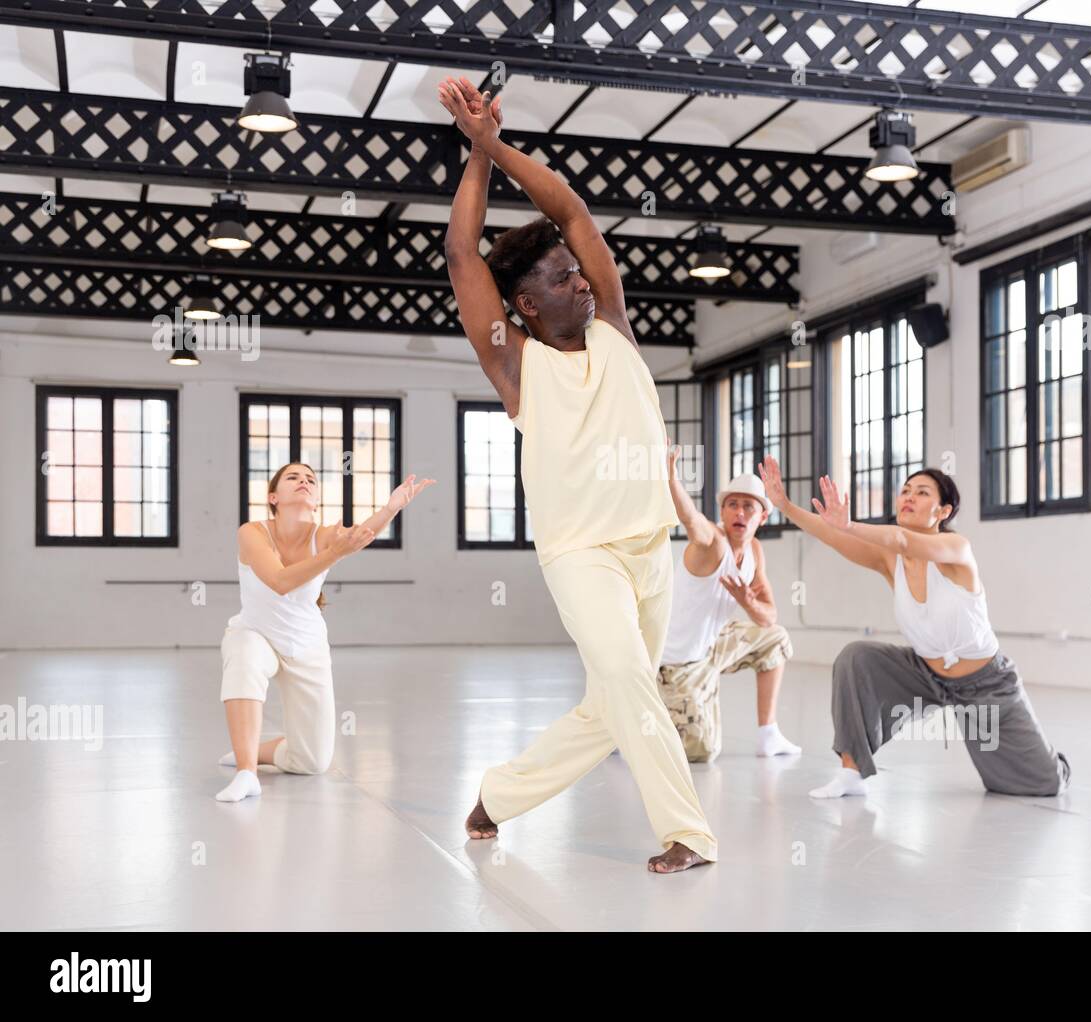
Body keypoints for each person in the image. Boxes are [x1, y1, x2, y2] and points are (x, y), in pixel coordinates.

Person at [439, 76, 716, 873]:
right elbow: (463, 253)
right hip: (580, 555)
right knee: (632, 678)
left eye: (579, 272)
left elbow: (571, 213)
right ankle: (689, 833)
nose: (582, 281)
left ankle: (498, 794)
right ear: (523, 305)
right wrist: (476, 164)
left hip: (649, 551)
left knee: (609, 708)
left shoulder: (617, 329)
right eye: (561, 280)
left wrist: (497, 142)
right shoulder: (514, 362)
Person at [756, 456, 1071, 800]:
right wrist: (784, 505)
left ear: (943, 511)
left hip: (985, 684)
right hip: (923, 675)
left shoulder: (956, 549)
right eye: (905, 490)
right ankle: (852, 770)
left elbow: (902, 540)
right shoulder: (890, 560)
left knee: (1042, 784)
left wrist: (848, 525)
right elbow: (833, 536)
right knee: (857, 657)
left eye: (922, 493)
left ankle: (1055, 761)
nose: (909, 496)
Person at [215, 462, 433, 803]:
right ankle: (247, 772)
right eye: (293, 477)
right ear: (273, 497)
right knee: (243, 657)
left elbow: (361, 533)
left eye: (310, 479)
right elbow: (280, 582)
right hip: (256, 632)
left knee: (312, 761)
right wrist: (335, 554)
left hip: (306, 646)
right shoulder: (252, 532)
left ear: (315, 500)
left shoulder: (324, 536)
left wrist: (392, 508)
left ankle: (254, 750)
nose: (303, 481)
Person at [658, 448, 799, 762]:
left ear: (762, 517)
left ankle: (768, 735)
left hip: (711, 647)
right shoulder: (712, 543)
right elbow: (691, 519)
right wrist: (672, 479)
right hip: (675, 663)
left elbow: (769, 617)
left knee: (776, 638)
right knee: (704, 752)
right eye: (732, 505)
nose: (739, 513)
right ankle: (633, 719)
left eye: (748, 507)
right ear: (722, 512)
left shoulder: (755, 552)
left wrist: (748, 602)